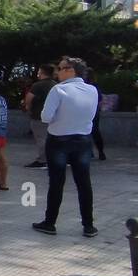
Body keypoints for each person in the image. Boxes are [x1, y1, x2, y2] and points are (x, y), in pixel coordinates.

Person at [33, 57, 99, 238]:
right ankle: (88, 225)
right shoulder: (92, 90)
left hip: (59, 141)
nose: (57, 72)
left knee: (56, 183)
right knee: (84, 183)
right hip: (83, 140)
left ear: (71, 70)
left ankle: (50, 222)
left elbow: (45, 117)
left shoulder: (58, 89)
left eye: (61, 68)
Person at [23, 64, 57, 168]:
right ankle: (52, 157)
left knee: (41, 138)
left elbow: (29, 98)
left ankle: (42, 159)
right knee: (51, 138)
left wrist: (27, 107)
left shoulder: (38, 85)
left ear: (42, 72)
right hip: (53, 116)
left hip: (38, 114)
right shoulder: (55, 85)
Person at [85, 68, 106, 161]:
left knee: (85, 132)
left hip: (85, 111)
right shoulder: (95, 86)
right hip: (94, 111)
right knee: (95, 132)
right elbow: (100, 100)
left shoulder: (84, 86)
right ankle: (101, 152)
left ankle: (89, 152)